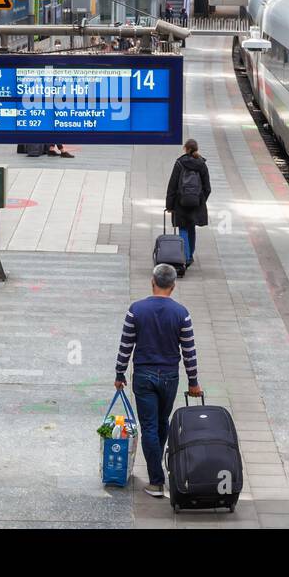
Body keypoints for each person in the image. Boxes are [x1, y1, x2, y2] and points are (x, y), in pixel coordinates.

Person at [114, 263, 202, 497]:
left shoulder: (136, 310)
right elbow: (189, 352)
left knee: (150, 427)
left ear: (152, 282)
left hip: (143, 376)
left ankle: (156, 481)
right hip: (170, 377)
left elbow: (126, 345)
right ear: (173, 286)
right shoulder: (182, 313)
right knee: (162, 423)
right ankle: (158, 468)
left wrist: (119, 373)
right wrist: (193, 382)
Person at [165, 139, 211, 266]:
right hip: (196, 203)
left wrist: (169, 205)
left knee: (183, 228)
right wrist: (201, 200)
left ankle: (184, 256)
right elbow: (207, 188)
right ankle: (190, 256)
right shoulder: (202, 164)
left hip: (181, 202)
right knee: (191, 228)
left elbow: (172, 186)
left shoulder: (179, 163)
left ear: (185, 148)